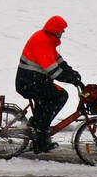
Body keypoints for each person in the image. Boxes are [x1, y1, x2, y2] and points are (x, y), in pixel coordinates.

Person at [15, 15, 83, 153]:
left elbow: (59, 61)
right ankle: (40, 130)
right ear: (55, 30)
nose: (63, 33)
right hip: (28, 82)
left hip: (35, 80)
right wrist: (71, 80)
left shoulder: (48, 40)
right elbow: (53, 71)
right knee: (60, 96)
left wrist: (72, 72)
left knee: (48, 100)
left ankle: (39, 137)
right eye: (62, 30)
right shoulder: (42, 42)